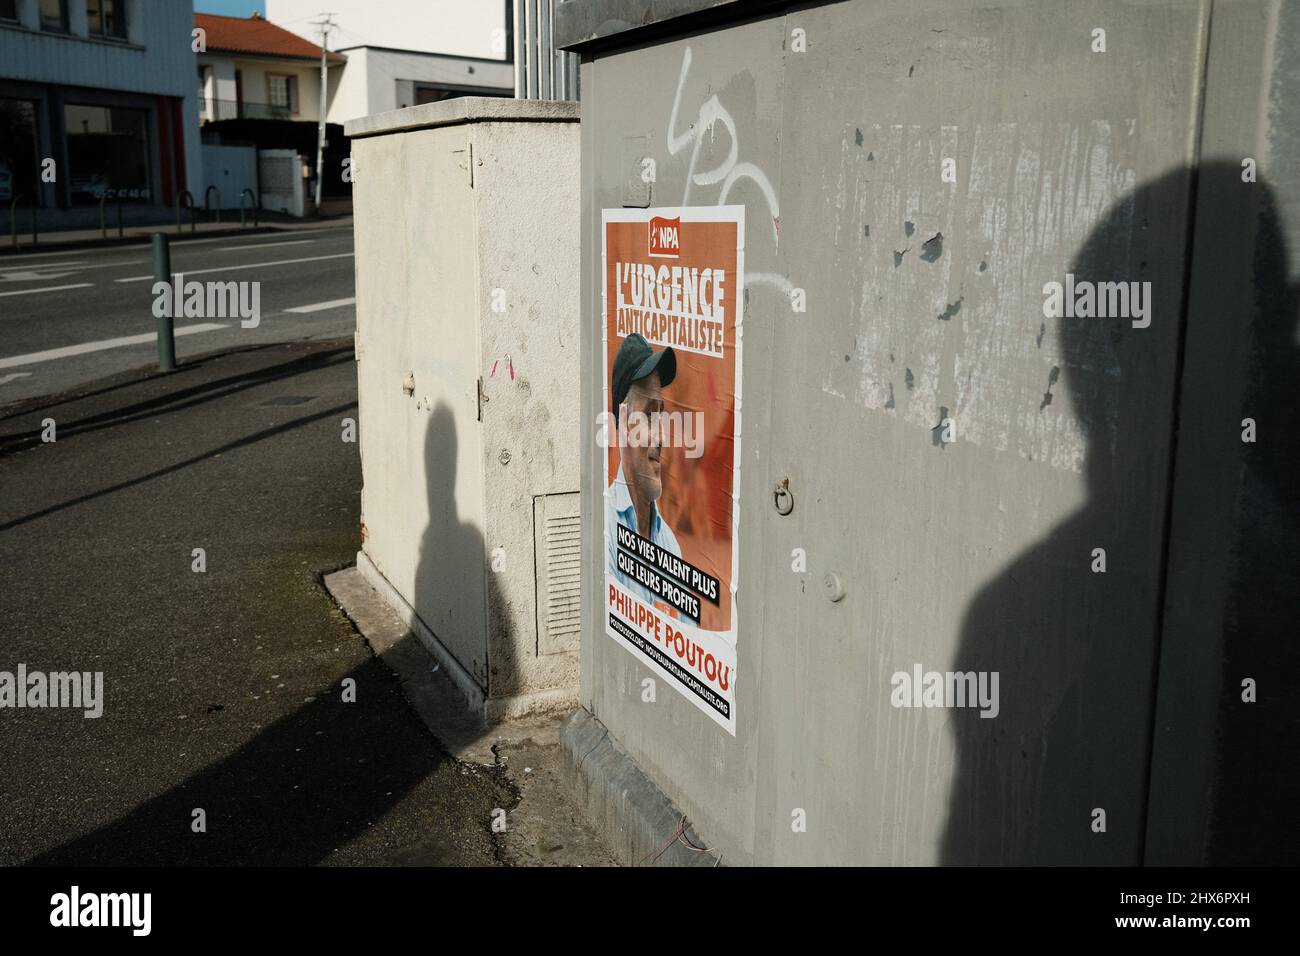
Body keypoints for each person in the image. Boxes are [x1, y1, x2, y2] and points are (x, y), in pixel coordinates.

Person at [605, 333, 683, 610]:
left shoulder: (670, 545)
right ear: (624, 420)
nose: (662, 435)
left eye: (662, 415)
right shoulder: (606, 530)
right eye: (649, 415)